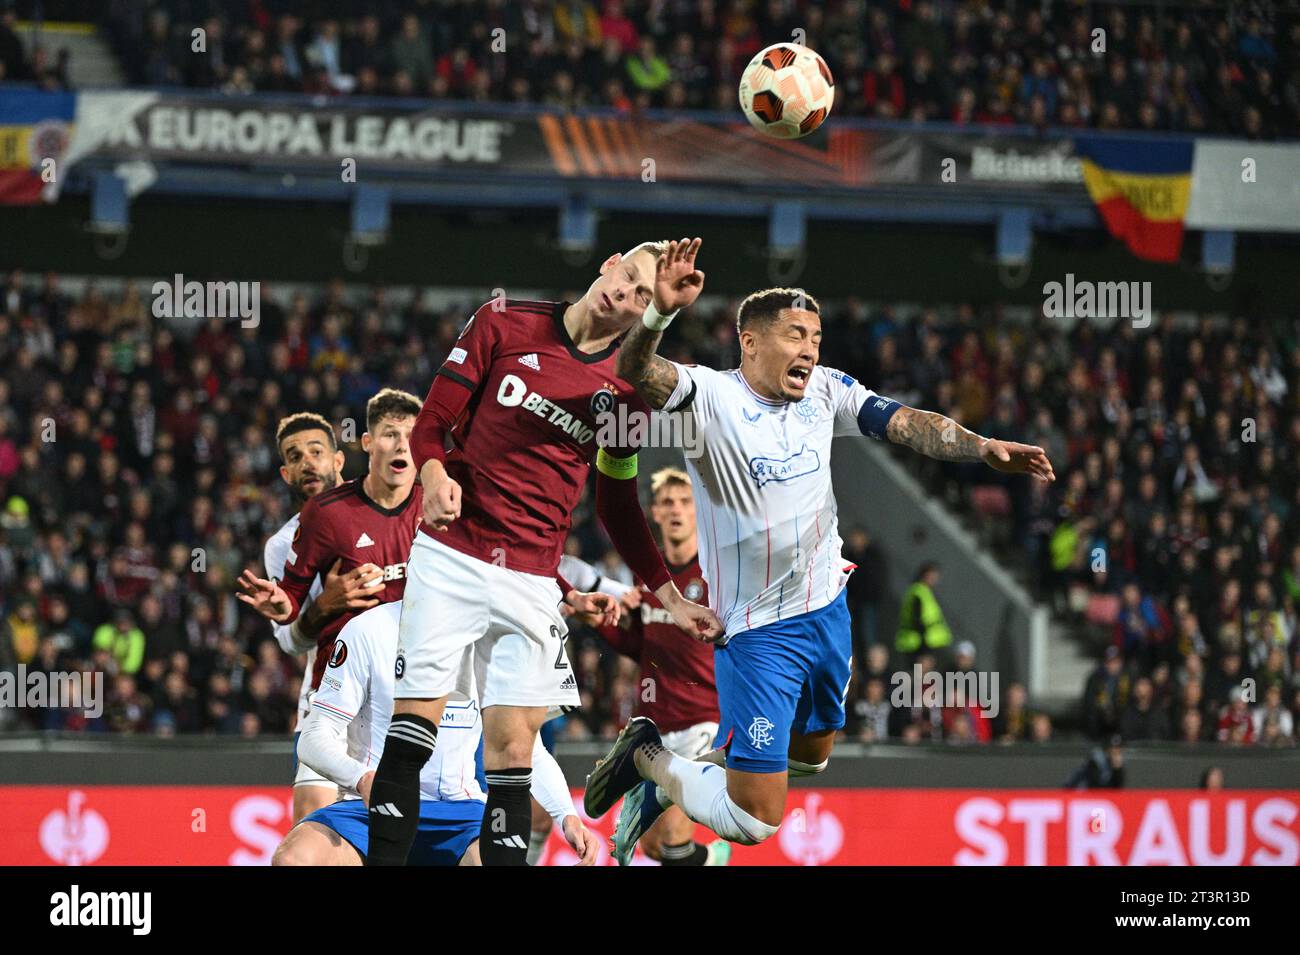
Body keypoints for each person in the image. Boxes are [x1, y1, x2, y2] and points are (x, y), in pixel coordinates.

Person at [588, 277, 1054, 851]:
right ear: (750, 342)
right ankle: (650, 756)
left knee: (811, 756)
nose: (810, 347)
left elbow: (907, 422)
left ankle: (663, 787)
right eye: (794, 334)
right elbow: (636, 368)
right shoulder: (706, 396)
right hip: (757, 632)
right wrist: (660, 310)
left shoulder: (827, 390)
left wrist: (979, 446)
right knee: (754, 822)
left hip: (826, 607)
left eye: (816, 336)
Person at [365, 239, 723, 866]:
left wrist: (667, 595)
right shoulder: (503, 323)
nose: (628, 293)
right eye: (630, 276)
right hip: (452, 554)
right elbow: (433, 423)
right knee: (413, 730)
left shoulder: (628, 393)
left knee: (512, 754)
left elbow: (616, 505)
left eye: (646, 296)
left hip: (532, 580)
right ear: (608, 263)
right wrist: (431, 475)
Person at [272, 600, 598, 866]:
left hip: (459, 813)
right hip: (367, 807)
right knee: (294, 860)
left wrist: (567, 816)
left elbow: (530, 749)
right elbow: (315, 735)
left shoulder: (496, 641)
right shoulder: (368, 630)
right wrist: (362, 778)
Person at [237, 389, 423, 735]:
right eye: (295, 457)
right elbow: (291, 641)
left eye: (316, 452)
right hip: (333, 684)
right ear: (285, 474)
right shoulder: (281, 544)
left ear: (338, 461)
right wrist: (323, 605)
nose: (307, 462)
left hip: (409, 680)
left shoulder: (388, 496)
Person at [587, 467, 729, 865]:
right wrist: (600, 622)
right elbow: (641, 644)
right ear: (654, 512)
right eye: (668, 502)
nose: (677, 510)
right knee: (647, 845)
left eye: (685, 502)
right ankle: (713, 858)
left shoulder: (718, 573)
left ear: (698, 510)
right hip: (652, 726)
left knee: (672, 836)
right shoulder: (648, 576)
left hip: (704, 720)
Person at [895, 562, 953, 662]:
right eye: (931, 577)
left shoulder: (925, 592)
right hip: (919, 642)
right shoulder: (918, 592)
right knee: (918, 672)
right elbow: (916, 619)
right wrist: (924, 643)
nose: (934, 580)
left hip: (925, 641)